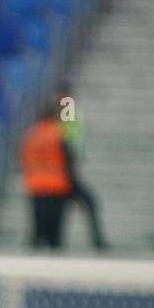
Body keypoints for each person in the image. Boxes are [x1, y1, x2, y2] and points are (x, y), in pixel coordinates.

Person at [56, 85, 108, 250]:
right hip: (64, 169)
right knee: (88, 203)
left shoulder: (65, 112)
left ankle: (59, 242)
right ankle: (98, 241)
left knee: (67, 206)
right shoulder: (67, 110)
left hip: (66, 168)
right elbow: (67, 136)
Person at [20, 98, 74, 249]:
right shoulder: (59, 133)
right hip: (57, 185)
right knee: (55, 232)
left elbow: (23, 157)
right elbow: (69, 158)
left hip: (36, 185)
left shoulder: (32, 133)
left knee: (38, 227)